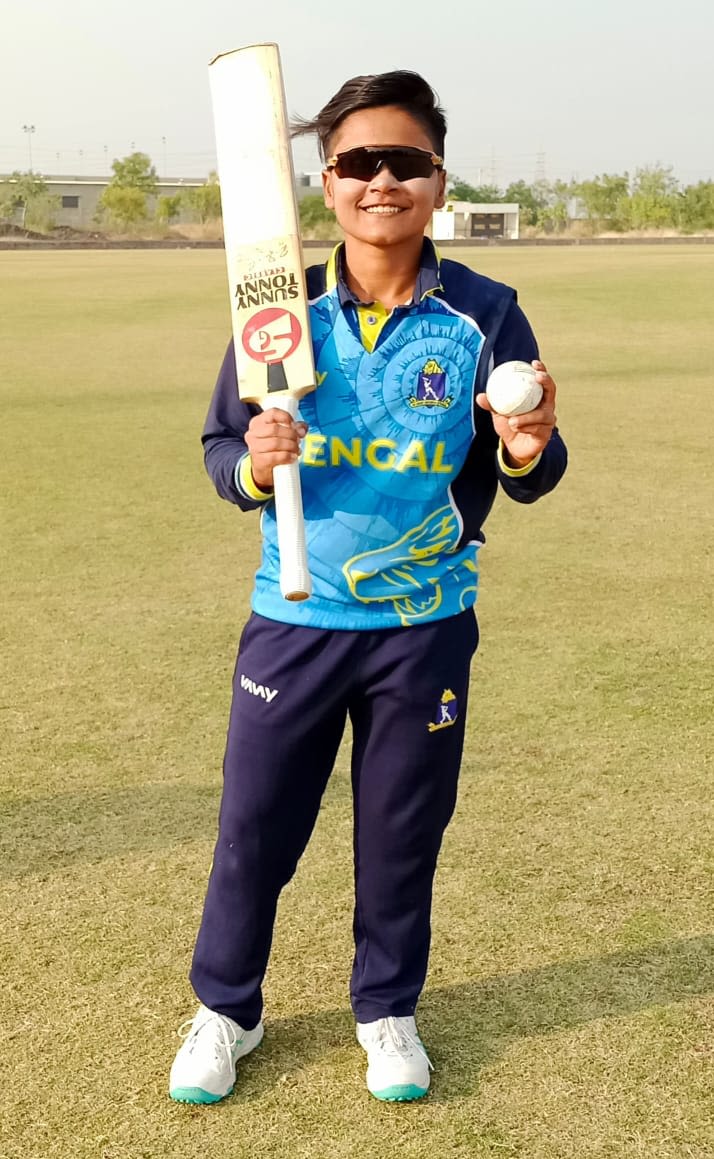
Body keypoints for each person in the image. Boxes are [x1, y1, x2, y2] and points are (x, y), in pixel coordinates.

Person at [169, 69, 567, 1106]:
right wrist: (258, 465)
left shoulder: (486, 313)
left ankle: (387, 1009)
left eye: (405, 161)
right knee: (255, 829)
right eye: (357, 162)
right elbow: (221, 452)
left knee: (401, 833)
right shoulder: (279, 309)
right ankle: (228, 1009)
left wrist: (527, 442)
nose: (380, 180)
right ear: (327, 182)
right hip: (294, 619)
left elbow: (532, 468)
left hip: (423, 627)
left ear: (438, 181)